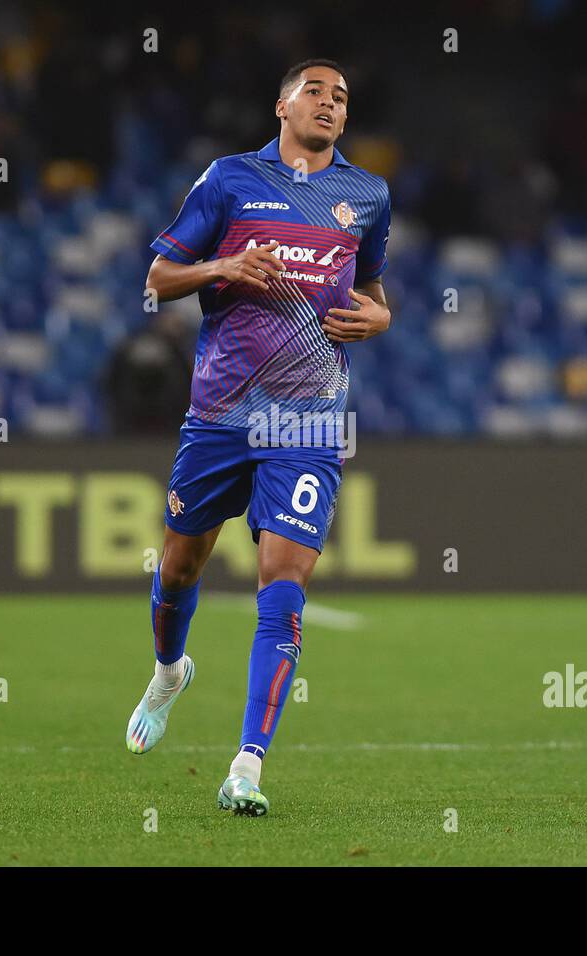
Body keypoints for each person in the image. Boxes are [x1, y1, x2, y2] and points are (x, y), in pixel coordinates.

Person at [126, 59, 393, 816]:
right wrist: (225, 265)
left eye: (342, 96)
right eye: (316, 90)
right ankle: (171, 669)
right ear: (281, 104)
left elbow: (373, 294)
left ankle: (247, 764)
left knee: (283, 584)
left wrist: (382, 318)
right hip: (220, 412)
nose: (331, 103)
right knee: (179, 567)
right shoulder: (229, 179)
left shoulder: (366, 195)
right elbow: (159, 278)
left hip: (309, 416)